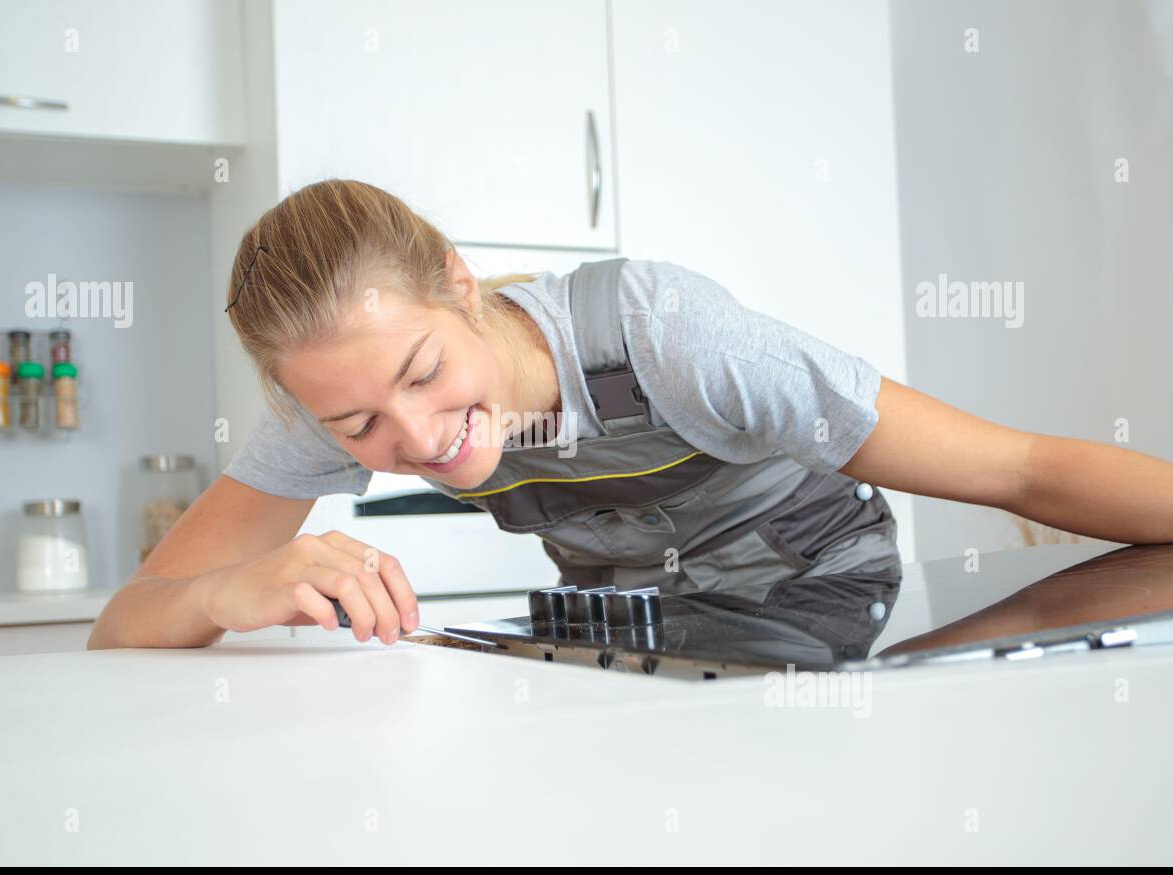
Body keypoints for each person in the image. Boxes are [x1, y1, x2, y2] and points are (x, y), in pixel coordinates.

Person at [89, 179, 1173, 650]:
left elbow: (1017, 468)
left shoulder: (666, 335)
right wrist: (230, 588)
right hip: (638, 631)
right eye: (357, 426)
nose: (411, 439)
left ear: (460, 283)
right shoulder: (328, 393)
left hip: (823, 603)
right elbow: (128, 621)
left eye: (423, 373)